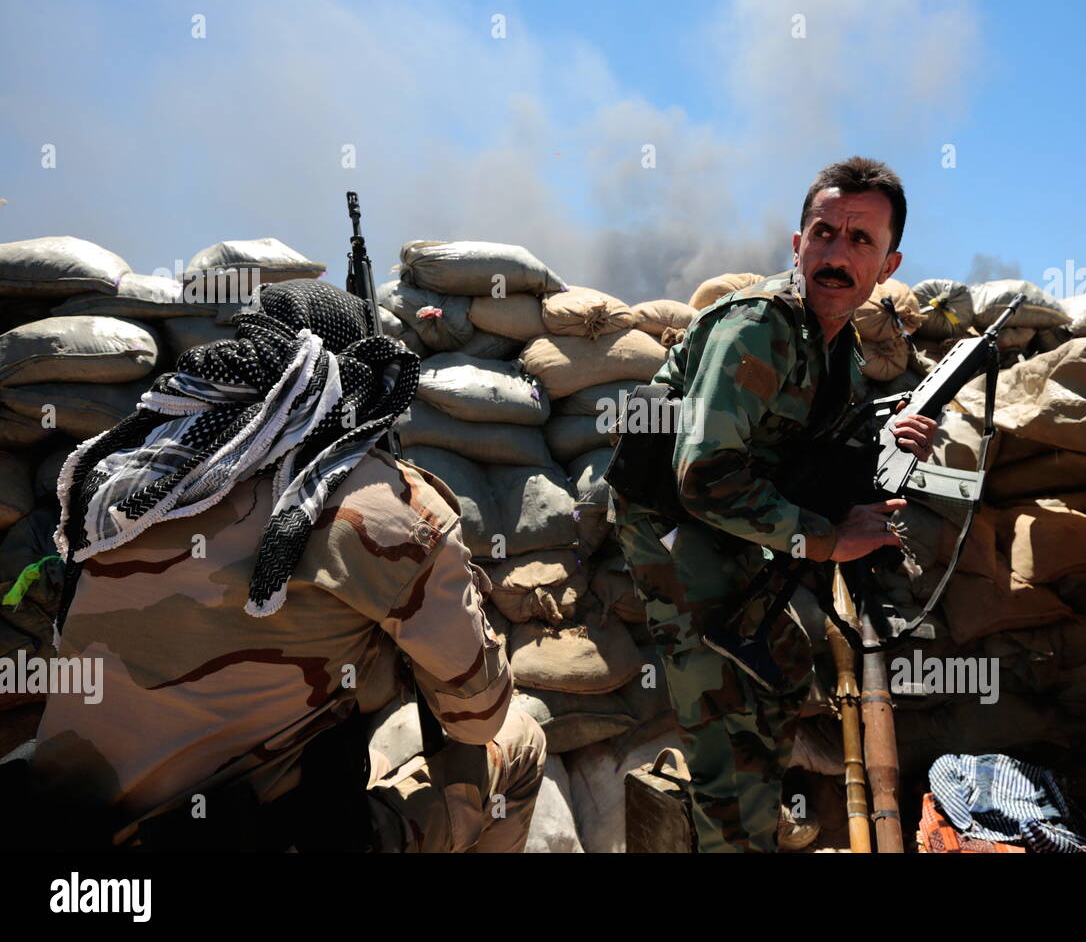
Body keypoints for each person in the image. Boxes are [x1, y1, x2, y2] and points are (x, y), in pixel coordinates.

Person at [22, 279, 544, 852]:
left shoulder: (131, 481)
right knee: (518, 743)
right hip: (238, 839)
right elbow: (476, 719)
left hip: (60, 831)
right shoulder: (384, 508)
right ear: (363, 381)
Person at [611, 157, 938, 852]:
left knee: (785, 666)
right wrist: (824, 540)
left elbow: (803, 454)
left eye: (860, 242)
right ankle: (730, 815)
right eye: (824, 233)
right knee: (728, 717)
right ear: (798, 245)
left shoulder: (842, 350)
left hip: (735, 524)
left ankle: (728, 812)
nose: (837, 254)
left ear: (888, 264)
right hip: (675, 530)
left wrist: (885, 438)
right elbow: (705, 476)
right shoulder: (757, 327)